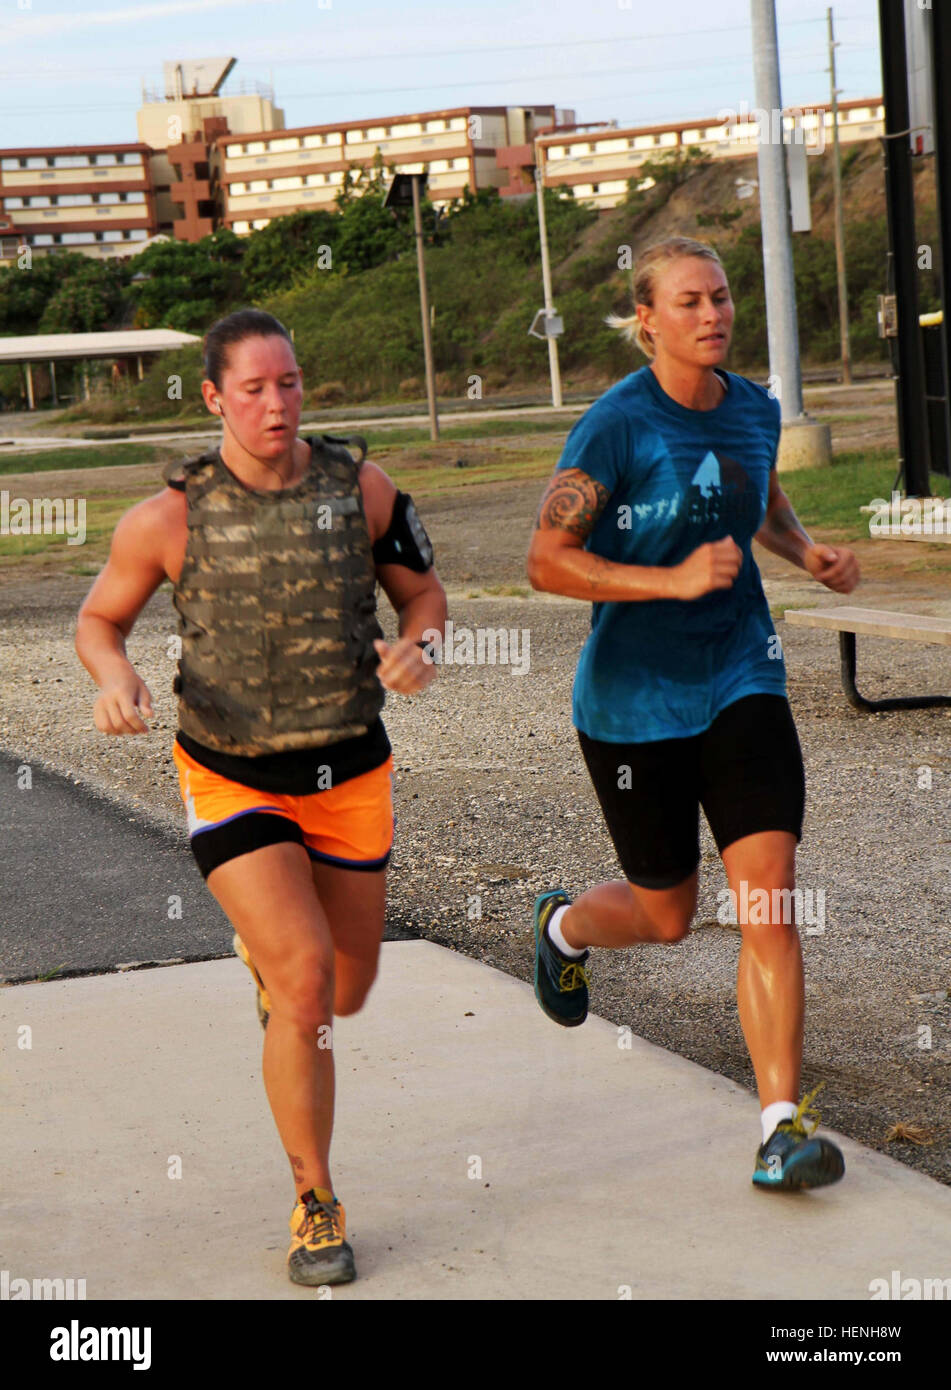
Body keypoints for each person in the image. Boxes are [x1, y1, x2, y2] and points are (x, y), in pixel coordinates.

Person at [75, 308, 447, 1285]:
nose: (276, 403)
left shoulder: (359, 488)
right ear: (212, 398)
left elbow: (424, 595)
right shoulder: (170, 516)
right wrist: (114, 680)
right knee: (308, 980)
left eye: (288, 383)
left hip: (349, 771)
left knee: (347, 991)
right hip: (230, 773)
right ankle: (315, 1201)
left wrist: (422, 648)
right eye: (253, 388)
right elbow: (99, 619)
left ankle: (275, 968)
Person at [526, 236, 859, 1191]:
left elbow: (754, 498)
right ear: (647, 322)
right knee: (667, 916)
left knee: (768, 898)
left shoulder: (753, 407)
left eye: (719, 297)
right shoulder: (613, 428)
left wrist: (806, 553)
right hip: (632, 706)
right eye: (688, 302)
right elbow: (546, 561)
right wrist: (664, 581)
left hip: (740, 678)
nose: (712, 314)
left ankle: (779, 1127)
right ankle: (562, 929)